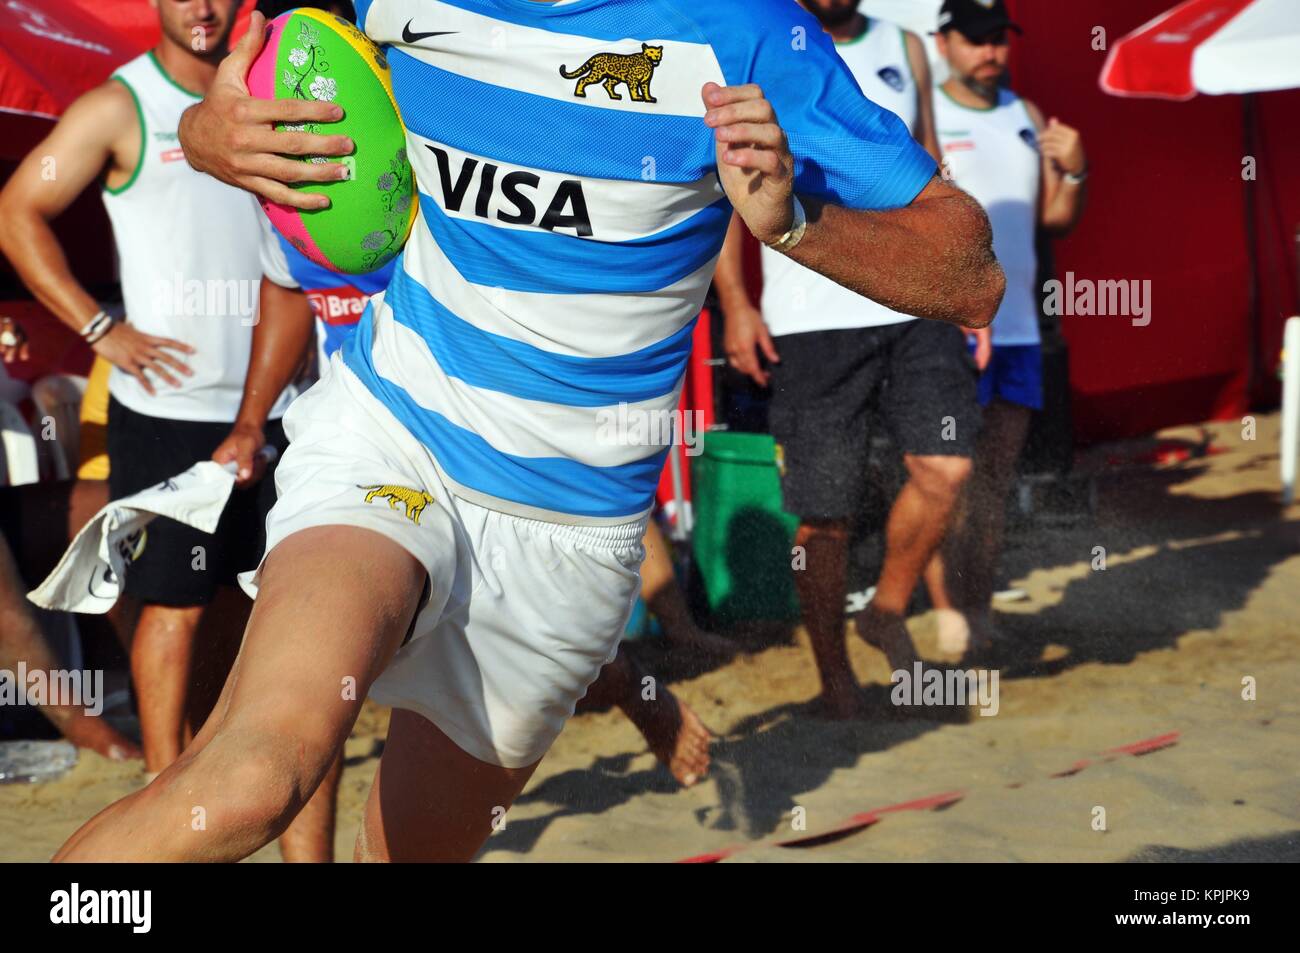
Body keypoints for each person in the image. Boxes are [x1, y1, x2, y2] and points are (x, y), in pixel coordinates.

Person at [56, 0, 1003, 863]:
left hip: (569, 535)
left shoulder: (748, 35)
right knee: (251, 782)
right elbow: (242, 73)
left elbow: (970, 273)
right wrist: (205, 132)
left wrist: (796, 223)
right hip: (393, 438)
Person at [714, 0, 986, 718]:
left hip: (911, 298)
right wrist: (736, 306)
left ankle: (887, 609)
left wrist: (959, 279)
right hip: (811, 317)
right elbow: (718, 190)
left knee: (947, 465)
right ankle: (836, 679)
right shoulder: (755, 36)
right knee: (824, 513)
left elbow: (934, 170)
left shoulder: (907, 45)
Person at [924, 0, 1088, 657]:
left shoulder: (1027, 115)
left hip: (1017, 328)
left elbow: (1054, 219)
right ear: (943, 42)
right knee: (945, 479)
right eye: (975, 39)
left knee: (992, 484)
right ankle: (944, 612)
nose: (991, 51)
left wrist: (1077, 168)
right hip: (947, 328)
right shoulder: (926, 115)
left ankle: (978, 608)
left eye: (999, 39)